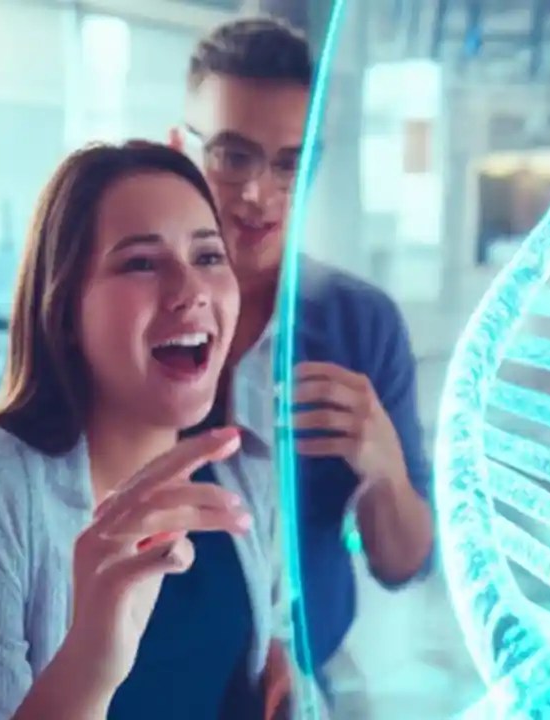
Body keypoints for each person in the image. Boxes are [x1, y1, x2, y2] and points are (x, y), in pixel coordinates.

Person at [0, 141, 278, 719]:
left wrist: (281, 665)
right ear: (65, 310)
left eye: (208, 257)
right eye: (141, 263)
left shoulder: (241, 472)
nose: (190, 290)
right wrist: (89, 666)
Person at [170, 16, 436, 687]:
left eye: (291, 163)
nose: (259, 194)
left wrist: (384, 470)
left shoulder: (360, 324)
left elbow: (402, 564)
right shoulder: (134, 310)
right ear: (180, 148)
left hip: (313, 682)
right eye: (231, 156)